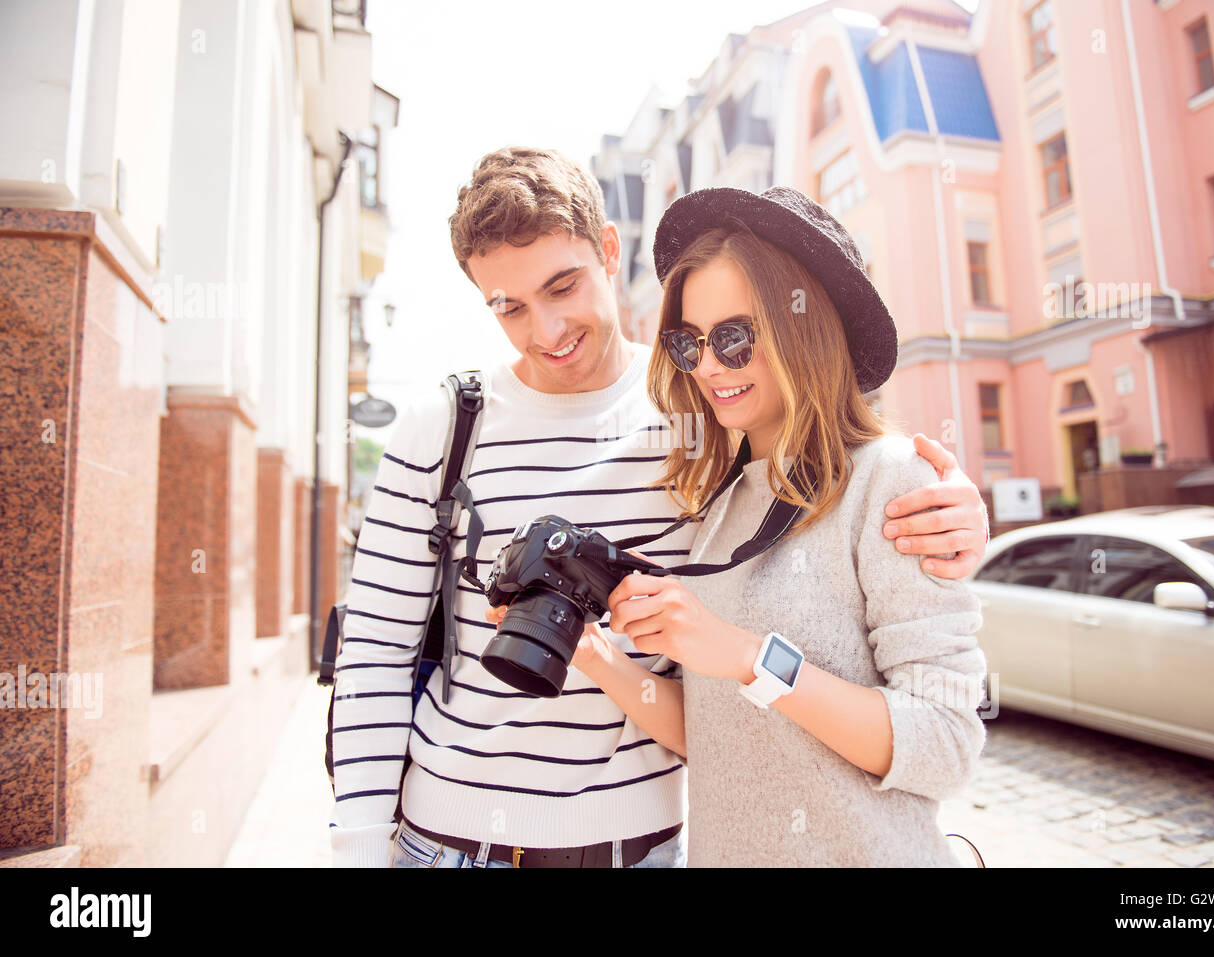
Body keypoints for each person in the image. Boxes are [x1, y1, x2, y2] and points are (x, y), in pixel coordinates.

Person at [328, 148, 989, 869]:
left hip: (637, 846)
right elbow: (373, 660)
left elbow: (832, 472)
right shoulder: (446, 425)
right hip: (452, 838)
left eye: (563, 285)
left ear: (609, 250)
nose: (546, 330)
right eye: (508, 306)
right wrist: (357, 850)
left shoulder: (700, 426)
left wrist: (946, 513)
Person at [586, 186, 991, 866]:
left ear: (801, 327)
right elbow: (720, 736)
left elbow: (947, 744)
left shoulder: (892, 481)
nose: (710, 365)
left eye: (735, 337)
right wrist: (591, 655)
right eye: (690, 343)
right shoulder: (718, 505)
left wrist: (751, 656)